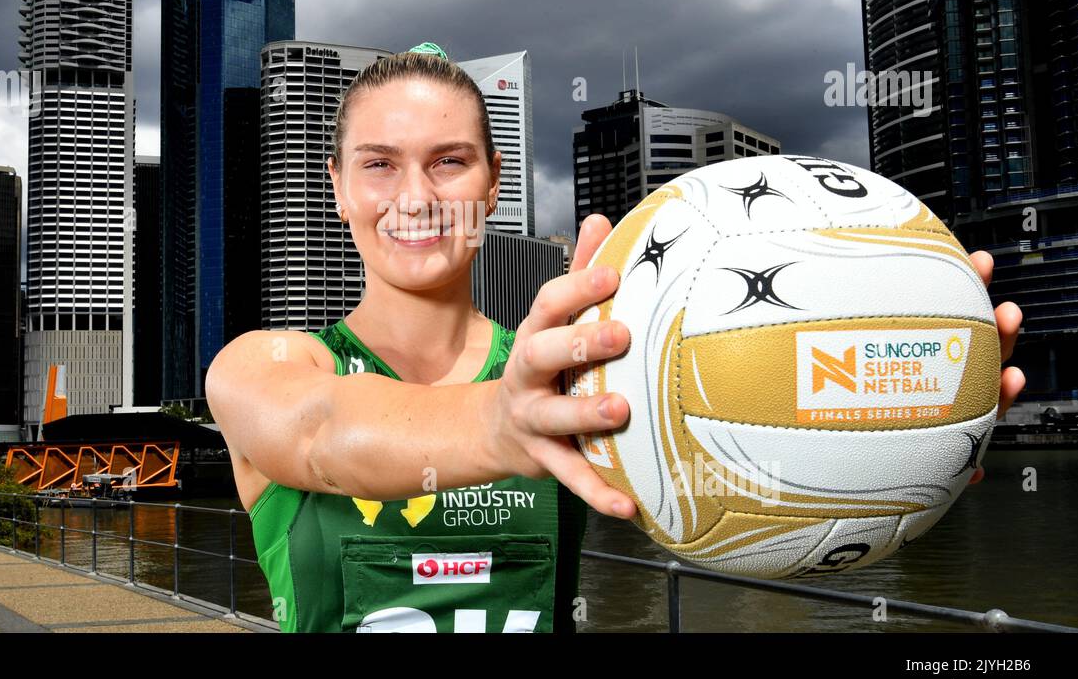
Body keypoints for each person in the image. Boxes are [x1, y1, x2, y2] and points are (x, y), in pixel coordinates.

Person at [204, 42, 1026, 633]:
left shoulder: (596, 371)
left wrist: (913, 412)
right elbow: (318, 434)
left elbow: (738, 502)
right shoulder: (263, 366)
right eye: (379, 164)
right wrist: (504, 423)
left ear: (493, 183)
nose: (415, 197)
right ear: (338, 187)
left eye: (449, 161)